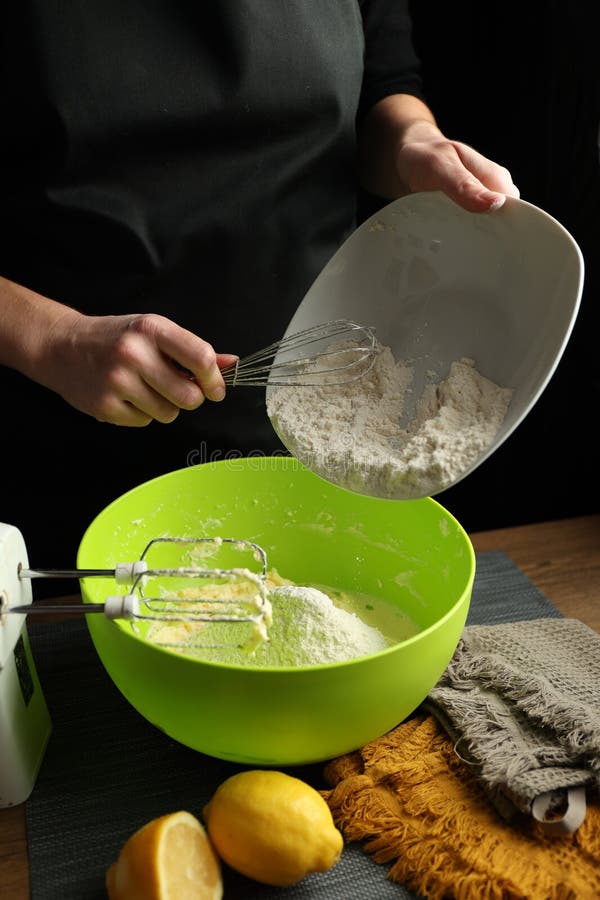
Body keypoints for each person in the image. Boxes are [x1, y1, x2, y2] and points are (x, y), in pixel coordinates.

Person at [0, 2, 517, 591]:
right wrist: (50, 337)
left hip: (328, 425)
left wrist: (412, 145)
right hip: (67, 455)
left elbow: (383, 87)